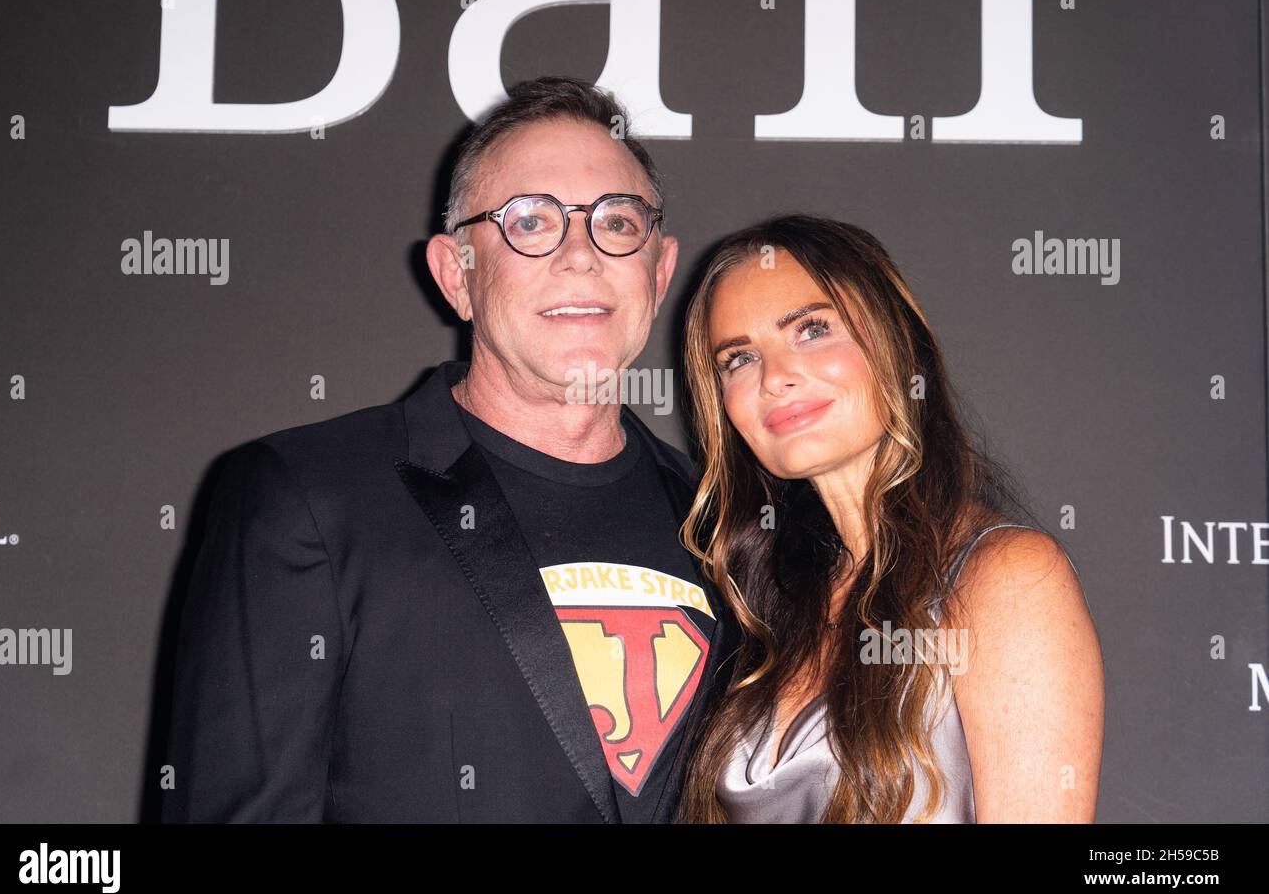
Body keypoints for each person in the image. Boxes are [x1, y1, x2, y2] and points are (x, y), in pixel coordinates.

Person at [161, 76, 737, 823]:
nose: (580, 255)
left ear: (658, 274)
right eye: (530, 222)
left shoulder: (726, 520)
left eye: (616, 222)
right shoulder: (306, 498)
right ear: (456, 275)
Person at [675, 215, 1105, 823]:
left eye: (812, 329)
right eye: (739, 360)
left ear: (896, 342)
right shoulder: (755, 602)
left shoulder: (1005, 576)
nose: (775, 378)